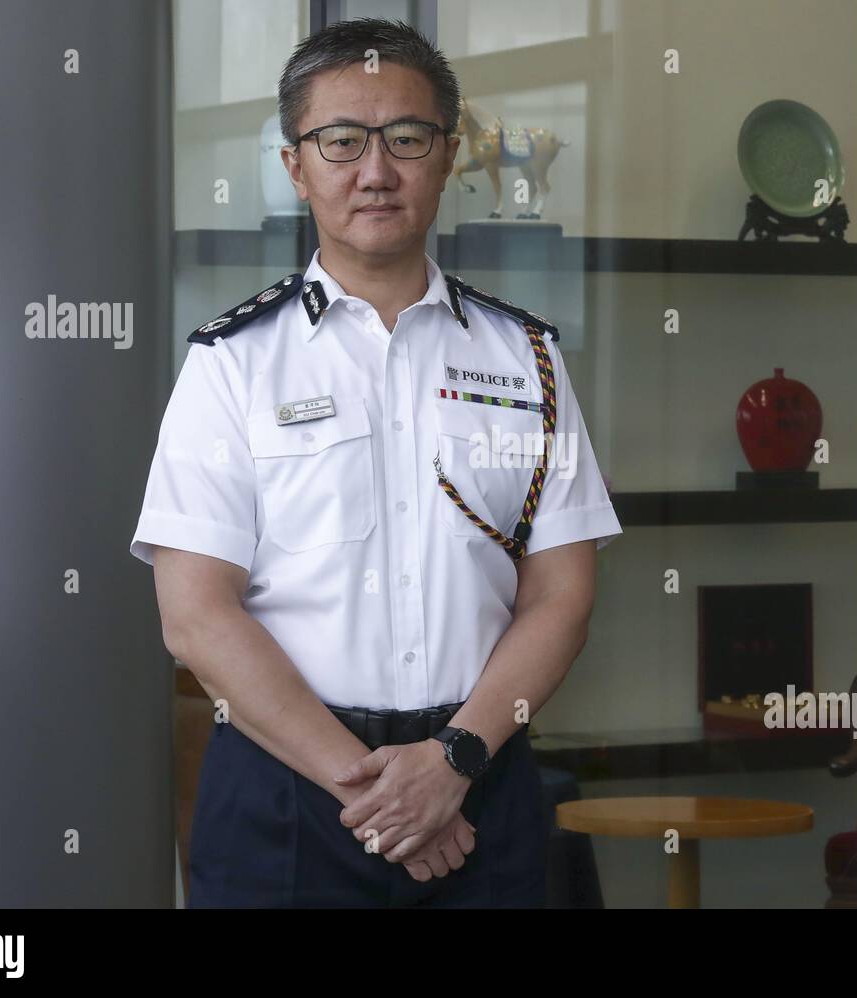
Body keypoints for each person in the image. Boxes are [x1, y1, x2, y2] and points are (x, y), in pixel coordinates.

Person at [128, 17, 621, 908]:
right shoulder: (232, 363)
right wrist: (380, 792)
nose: (375, 169)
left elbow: (563, 595)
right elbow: (196, 615)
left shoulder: (528, 360)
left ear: (445, 156)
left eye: (407, 138)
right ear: (296, 166)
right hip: (287, 791)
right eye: (342, 140)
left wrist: (453, 763)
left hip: (481, 775)